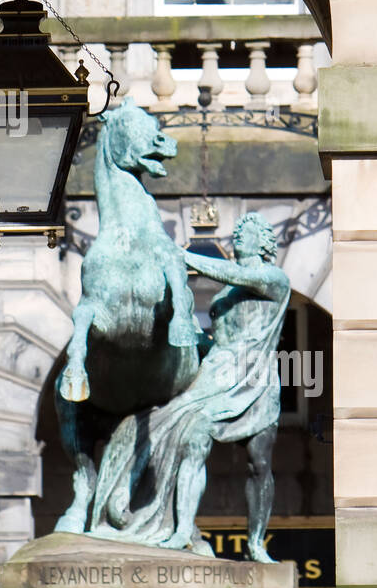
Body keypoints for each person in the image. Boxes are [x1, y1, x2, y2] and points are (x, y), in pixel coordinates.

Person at [89, 212, 290, 561]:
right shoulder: (228, 290)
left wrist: (181, 256)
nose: (242, 235)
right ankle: (180, 529)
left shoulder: (273, 279)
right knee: (192, 436)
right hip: (217, 373)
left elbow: (236, 273)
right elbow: (217, 334)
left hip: (255, 377)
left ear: (265, 242)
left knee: (259, 462)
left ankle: (256, 543)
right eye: (239, 230)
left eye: (252, 231)